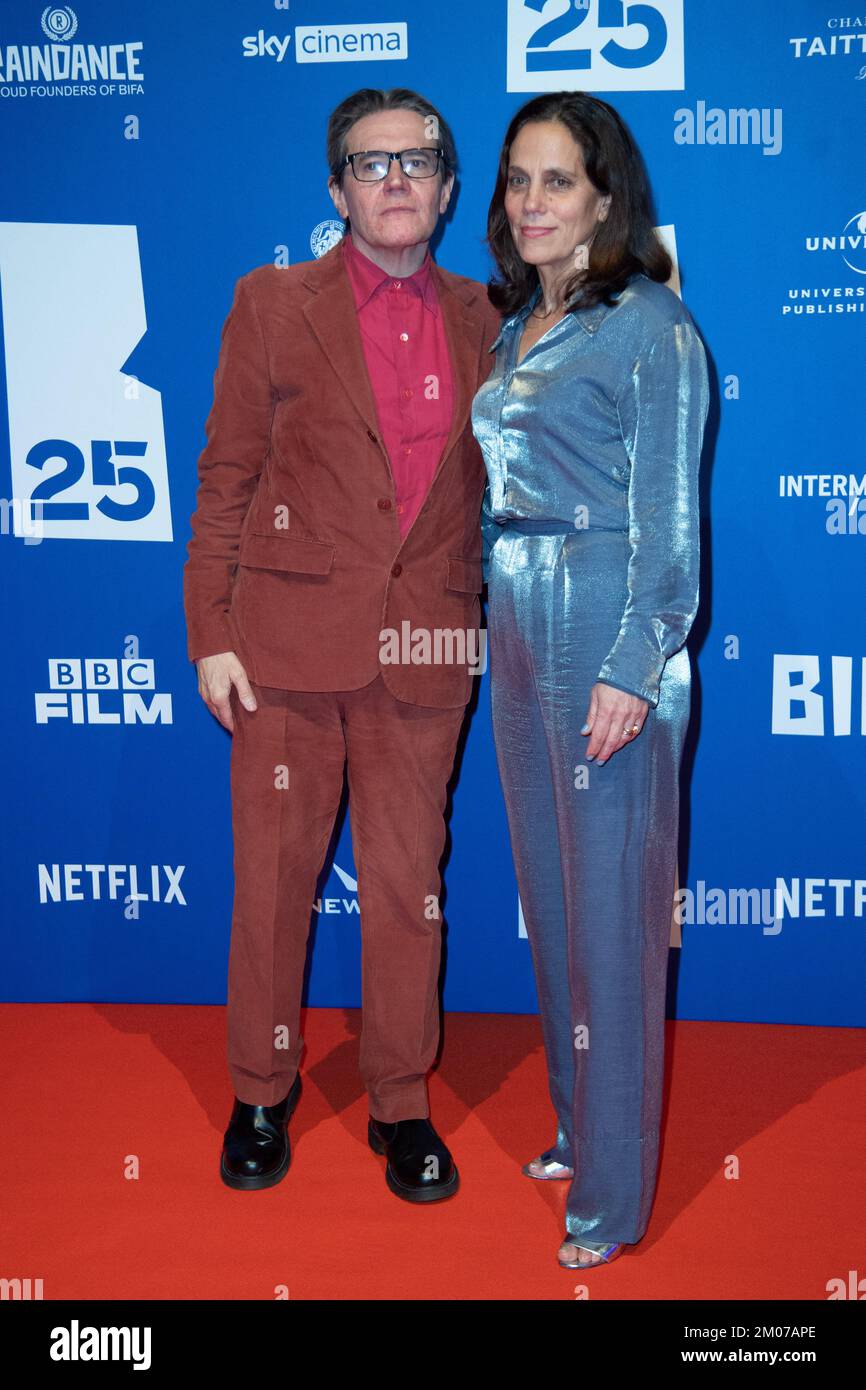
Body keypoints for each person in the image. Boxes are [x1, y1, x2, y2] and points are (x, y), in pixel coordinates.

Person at [183, 87, 500, 1202]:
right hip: (283, 649)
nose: (396, 178)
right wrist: (210, 630)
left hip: (427, 646)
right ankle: (259, 1091)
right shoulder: (272, 304)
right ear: (337, 189)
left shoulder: (490, 319)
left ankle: (400, 1101)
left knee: (409, 887)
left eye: (417, 160)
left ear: (448, 189)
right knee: (274, 882)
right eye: (372, 163)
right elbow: (225, 477)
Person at [471, 92, 709, 1268]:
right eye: (518, 180)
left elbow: (669, 520)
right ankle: (578, 1129)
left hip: (605, 621)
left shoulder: (651, 326)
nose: (531, 203)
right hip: (515, 617)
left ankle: (611, 1204)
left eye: (556, 180)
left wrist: (634, 661)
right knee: (556, 905)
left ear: (605, 197)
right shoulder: (520, 320)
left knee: (612, 924)